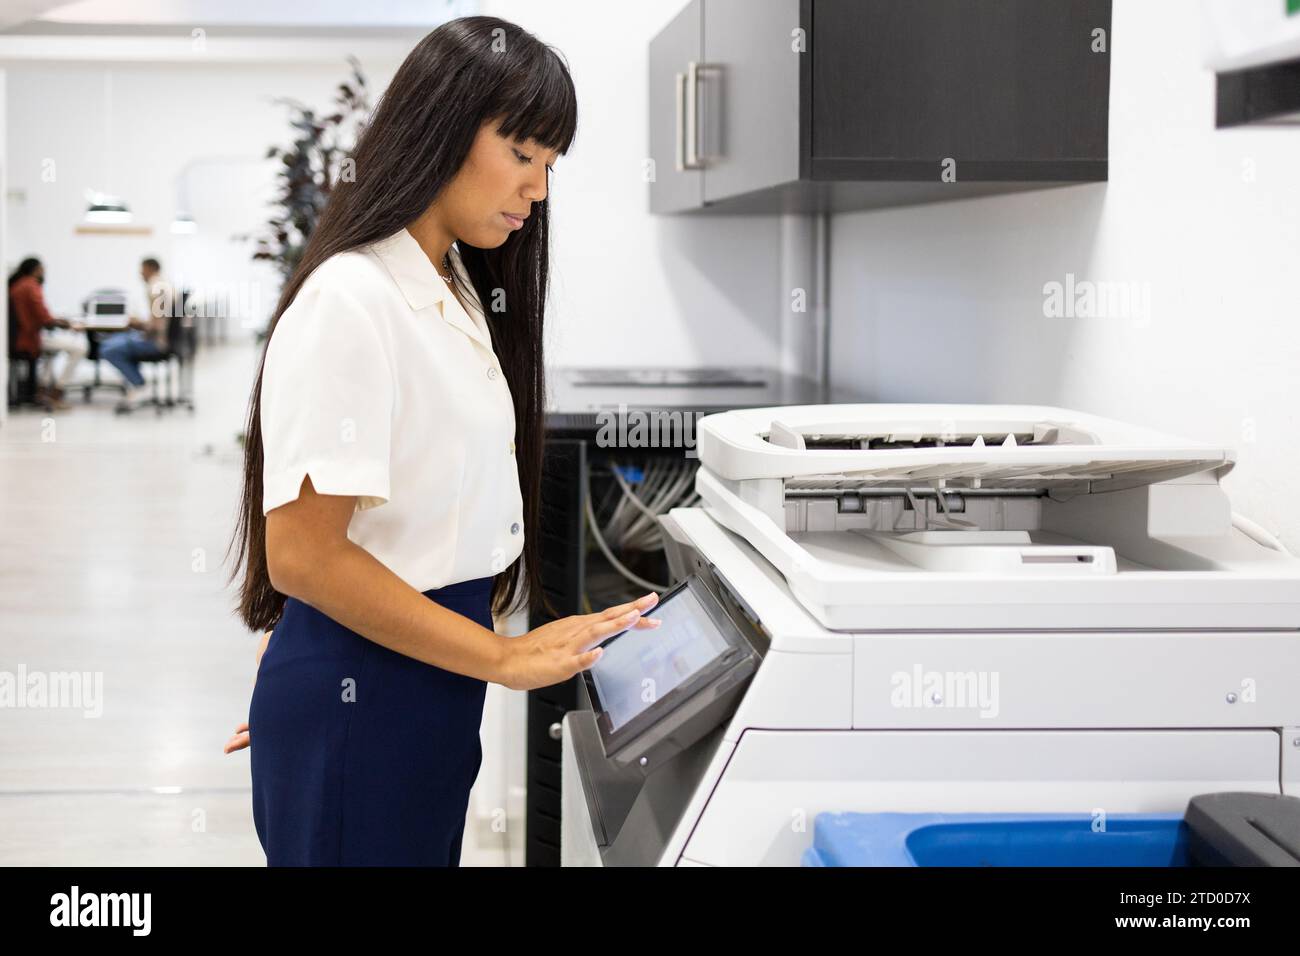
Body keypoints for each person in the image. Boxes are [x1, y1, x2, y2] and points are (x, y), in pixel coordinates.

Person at [224, 16, 661, 867]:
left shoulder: (453, 284)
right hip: (375, 682)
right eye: (525, 154)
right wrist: (492, 657)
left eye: (550, 167)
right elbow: (304, 558)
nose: (538, 190)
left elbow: (383, 524)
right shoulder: (353, 298)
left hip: (415, 675)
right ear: (444, 127)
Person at [8, 257, 88, 410]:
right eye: (42, 270)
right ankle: (57, 392)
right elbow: (45, 319)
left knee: (52, 353)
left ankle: (42, 390)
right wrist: (69, 325)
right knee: (79, 348)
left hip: (21, 337)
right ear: (36, 270)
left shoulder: (17, 285)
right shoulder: (31, 287)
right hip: (29, 338)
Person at [98, 257, 173, 413]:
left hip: (157, 342)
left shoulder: (156, 287)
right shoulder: (165, 284)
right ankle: (136, 382)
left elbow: (156, 326)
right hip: (162, 339)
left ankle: (138, 384)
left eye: (142, 270)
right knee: (116, 341)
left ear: (150, 269)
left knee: (108, 349)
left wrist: (138, 324)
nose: (140, 274)